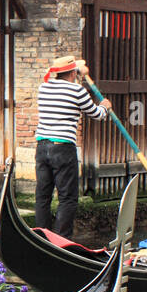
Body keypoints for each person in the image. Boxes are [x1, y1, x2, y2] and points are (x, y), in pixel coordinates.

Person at [34, 55, 111, 238]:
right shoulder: (77, 91)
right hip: (63, 149)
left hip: (42, 147)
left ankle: (41, 236)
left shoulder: (43, 88)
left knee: (43, 195)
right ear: (72, 73)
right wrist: (105, 106)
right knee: (68, 198)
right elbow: (96, 114)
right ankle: (60, 240)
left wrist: (79, 73)